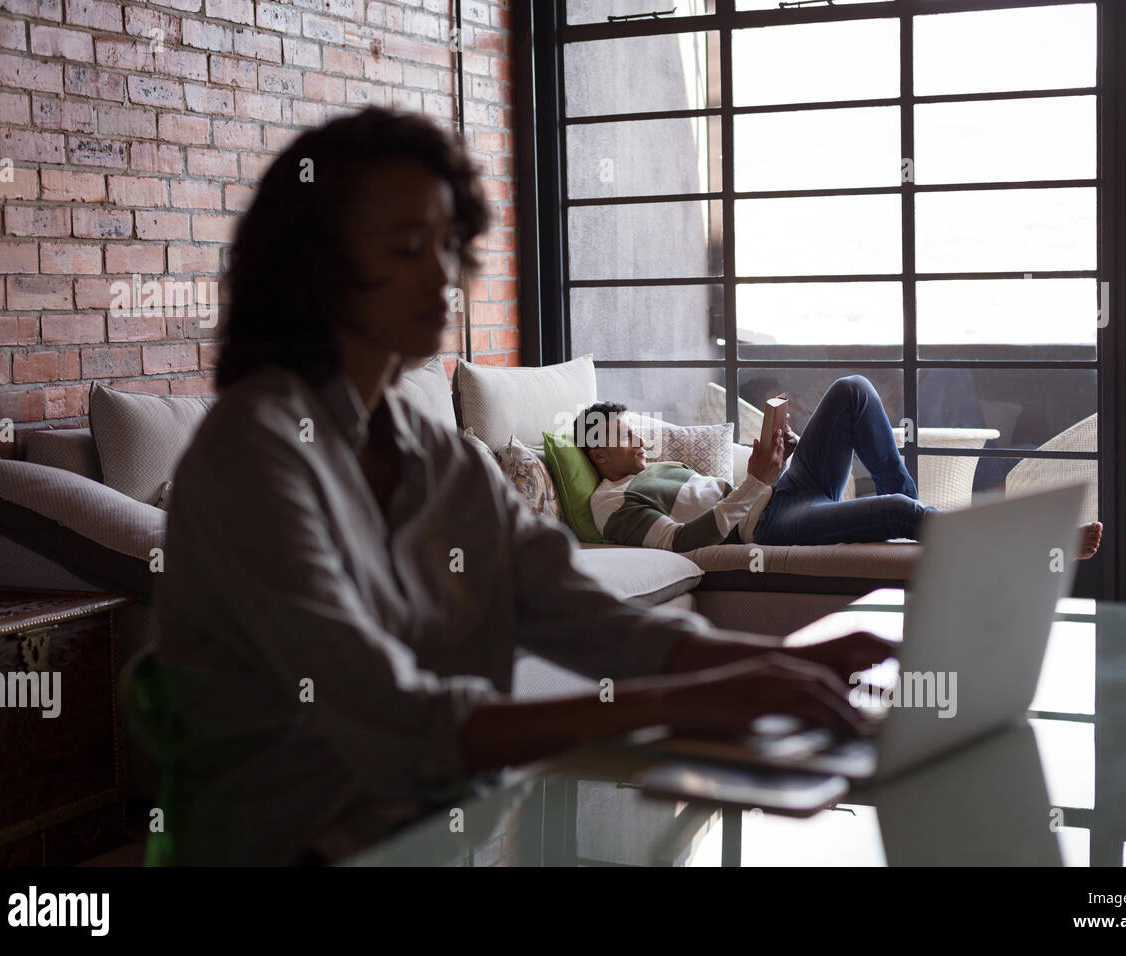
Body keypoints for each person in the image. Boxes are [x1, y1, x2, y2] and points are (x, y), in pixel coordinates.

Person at [148, 107, 893, 866]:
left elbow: (589, 617)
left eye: (447, 243)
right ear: (315, 264)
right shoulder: (250, 453)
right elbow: (389, 718)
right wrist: (688, 700)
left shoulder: (443, 464)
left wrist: (772, 665)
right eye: (408, 246)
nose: (442, 272)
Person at [580, 387, 1103, 557]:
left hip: (782, 489)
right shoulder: (611, 505)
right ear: (599, 454)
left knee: (853, 390)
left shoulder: (660, 465)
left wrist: (784, 452)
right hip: (765, 524)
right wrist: (757, 483)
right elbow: (683, 545)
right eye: (628, 435)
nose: (641, 438)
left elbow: (731, 487)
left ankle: (915, 518)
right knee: (898, 511)